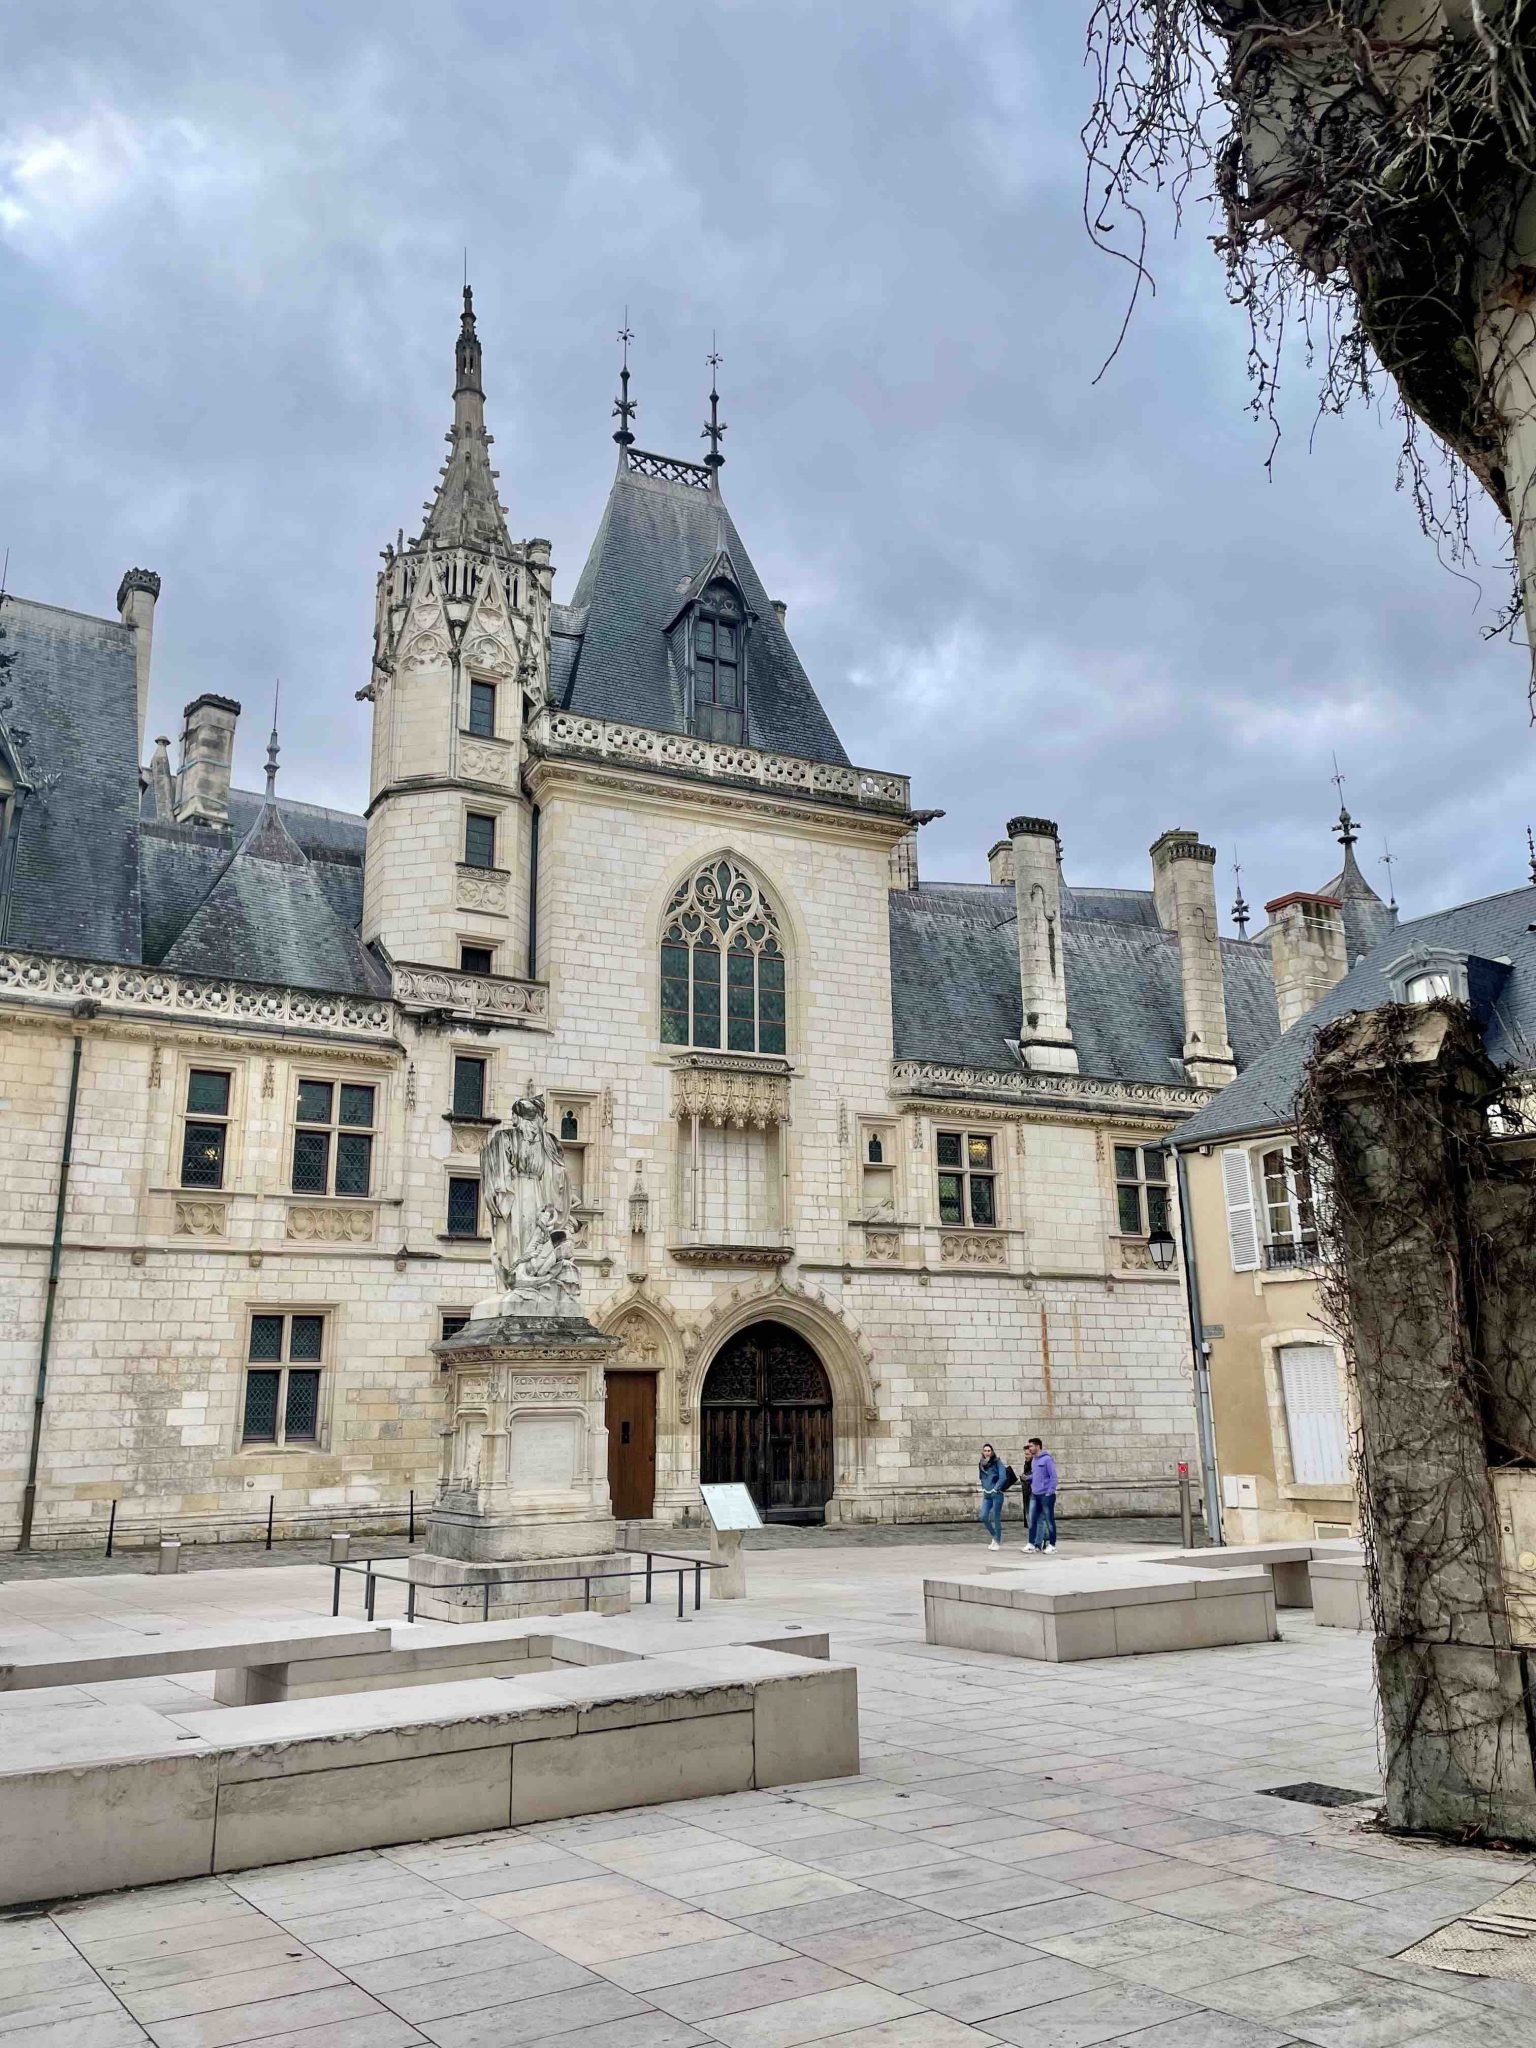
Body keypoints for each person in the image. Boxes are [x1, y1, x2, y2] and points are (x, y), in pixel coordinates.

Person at [1023, 1436, 1057, 1552]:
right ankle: (1031, 1544)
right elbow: (1037, 1475)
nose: (1029, 1448)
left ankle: (1052, 1545)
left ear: (1037, 1446)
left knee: (1049, 1521)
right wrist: (1029, 1478)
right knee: (1032, 1520)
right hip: (1035, 1494)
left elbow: (1053, 1477)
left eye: (1031, 1446)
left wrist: (1049, 1492)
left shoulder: (1047, 1459)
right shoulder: (1033, 1460)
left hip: (1045, 1495)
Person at [977, 1443, 1008, 1550]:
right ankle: (995, 1536)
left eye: (989, 1450)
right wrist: (983, 1487)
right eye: (985, 1450)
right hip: (987, 1494)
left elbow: (1003, 1476)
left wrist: (996, 1488)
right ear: (982, 1452)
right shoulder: (981, 1463)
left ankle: (997, 1541)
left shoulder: (997, 1462)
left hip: (996, 1494)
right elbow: (982, 1477)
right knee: (983, 1516)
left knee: (996, 1517)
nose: (987, 1452)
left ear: (992, 1452)